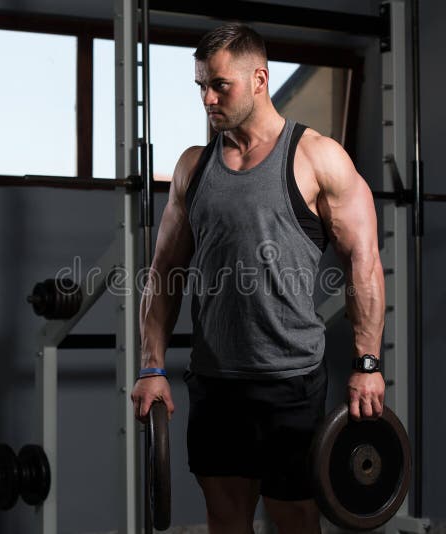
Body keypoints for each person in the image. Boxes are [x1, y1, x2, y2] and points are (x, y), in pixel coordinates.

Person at [131, 23, 385, 534]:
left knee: (294, 519)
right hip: (216, 382)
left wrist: (367, 361)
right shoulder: (192, 168)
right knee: (225, 521)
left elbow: (365, 264)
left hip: (290, 382)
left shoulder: (317, 158)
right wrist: (152, 367)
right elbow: (163, 274)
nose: (206, 97)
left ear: (259, 79)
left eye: (219, 84)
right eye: (200, 85)